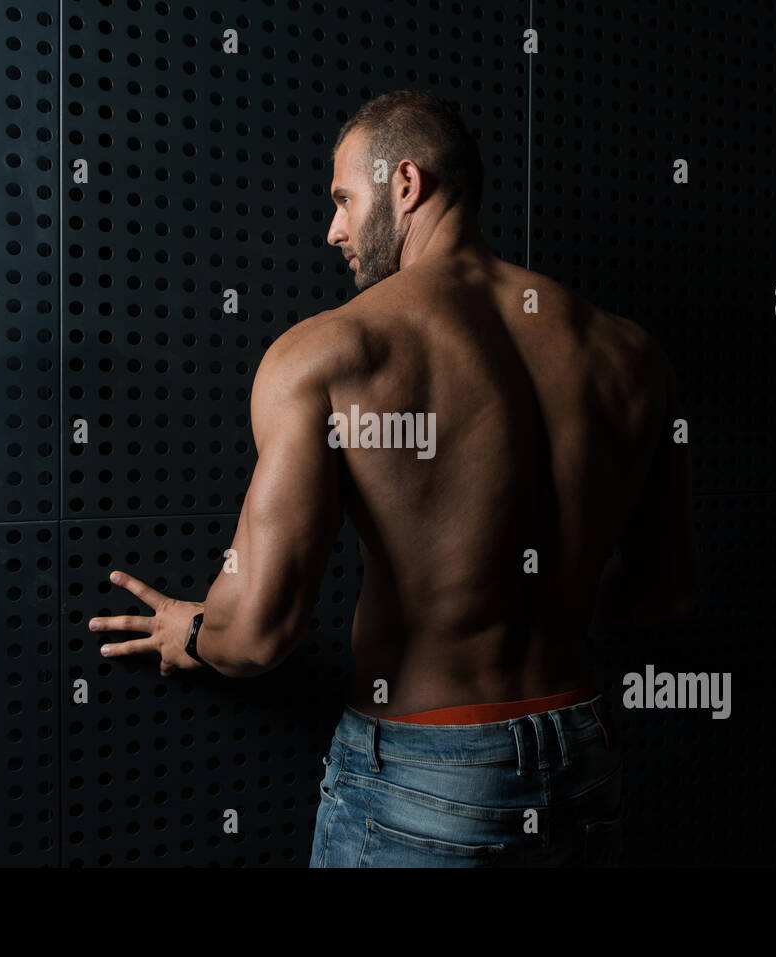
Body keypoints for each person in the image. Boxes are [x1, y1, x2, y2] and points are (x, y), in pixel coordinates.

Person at [88, 89, 699, 866]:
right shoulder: (629, 353)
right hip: (585, 757)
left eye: (345, 197)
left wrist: (194, 633)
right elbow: (666, 591)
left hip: (425, 775)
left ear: (405, 183)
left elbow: (260, 631)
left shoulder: (330, 352)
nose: (333, 228)